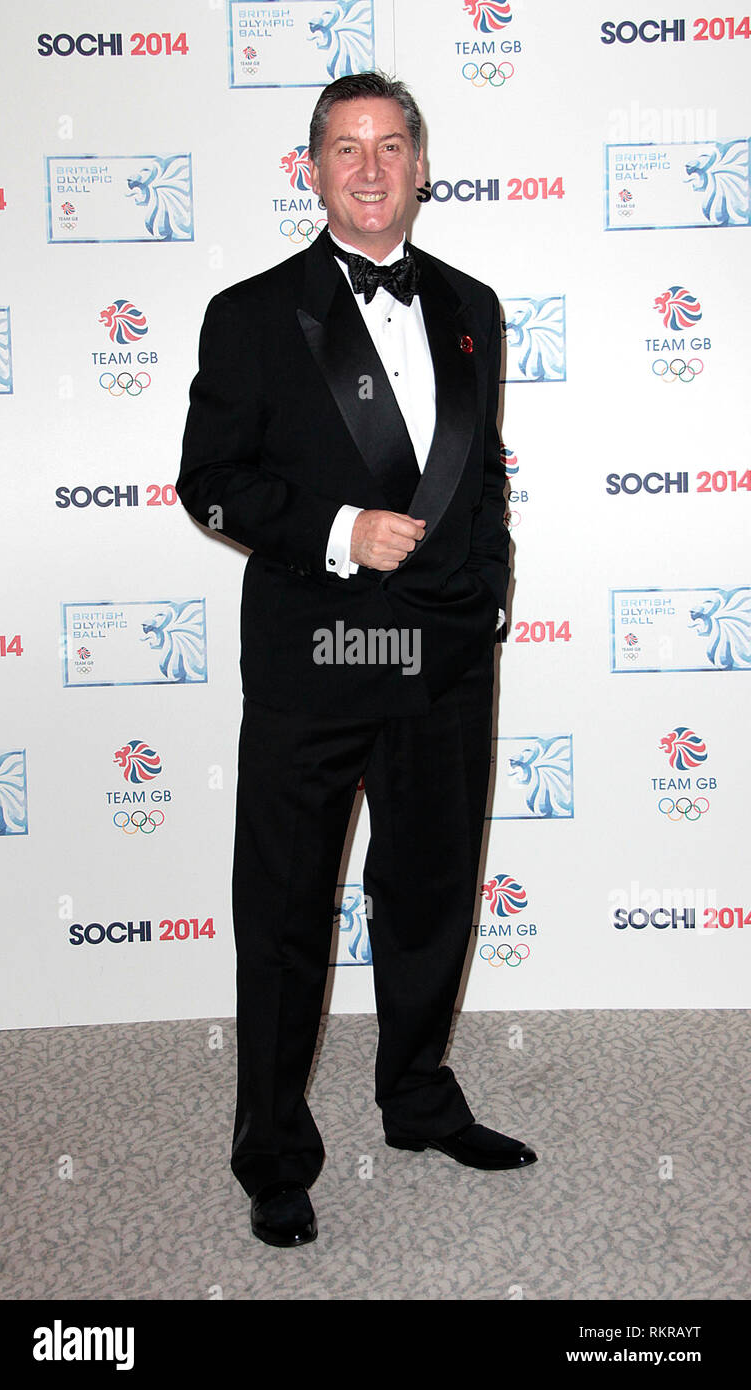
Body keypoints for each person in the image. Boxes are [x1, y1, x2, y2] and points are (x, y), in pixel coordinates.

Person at [177, 71, 537, 1248]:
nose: (371, 167)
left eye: (392, 146)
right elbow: (213, 480)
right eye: (346, 147)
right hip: (319, 651)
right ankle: (273, 1149)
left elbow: (478, 470)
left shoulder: (475, 302)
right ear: (311, 170)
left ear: (423, 167)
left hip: (442, 660)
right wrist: (339, 532)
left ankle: (417, 1096)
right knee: (285, 911)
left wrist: (489, 594)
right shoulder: (250, 311)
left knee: (430, 891)